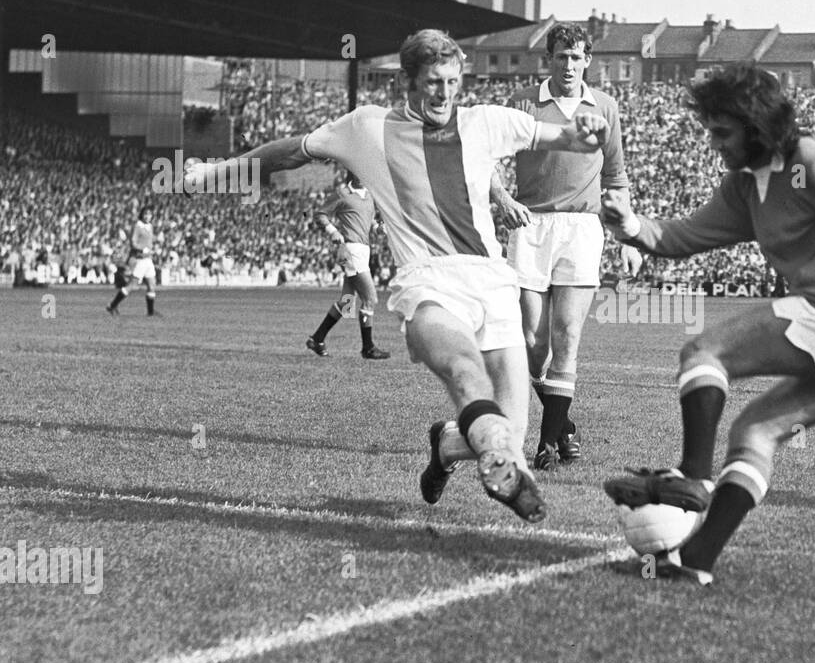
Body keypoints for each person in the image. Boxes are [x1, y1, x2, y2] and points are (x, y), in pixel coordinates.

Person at [185, 29, 609, 523]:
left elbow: (563, 136)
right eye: (432, 83)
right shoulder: (366, 128)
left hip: (493, 281)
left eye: (452, 81)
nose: (444, 93)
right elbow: (288, 152)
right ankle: (499, 461)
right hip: (426, 282)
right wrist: (208, 175)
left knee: (507, 434)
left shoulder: (486, 123)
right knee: (465, 372)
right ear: (406, 81)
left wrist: (585, 130)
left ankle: (449, 445)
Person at [600, 62, 815, 585]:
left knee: (702, 354)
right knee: (754, 432)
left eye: (722, 131)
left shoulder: (812, 162)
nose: (714, 142)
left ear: (756, 125)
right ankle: (696, 563)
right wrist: (634, 227)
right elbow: (686, 236)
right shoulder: (743, 187)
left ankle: (692, 478)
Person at [493, 23, 631, 470]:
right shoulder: (524, 104)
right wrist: (505, 199)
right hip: (531, 224)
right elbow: (485, 158)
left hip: (582, 228)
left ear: (588, 60)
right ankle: (564, 424)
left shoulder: (605, 107)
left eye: (576, 57)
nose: (568, 65)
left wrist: (627, 235)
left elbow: (616, 176)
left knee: (566, 336)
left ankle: (548, 443)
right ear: (548, 59)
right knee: (533, 345)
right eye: (560, 56)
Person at [306, 174, 390, 359]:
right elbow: (320, 214)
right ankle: (368, 348)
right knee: (371, 299)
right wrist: (333, 231)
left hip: (363, 251)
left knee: (346, 304)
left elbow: (370, 221)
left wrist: (378, 229)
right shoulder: (342, 193)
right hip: (350, 250)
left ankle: (317, 339)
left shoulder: (369, 195)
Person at [106, 207, 161, 316]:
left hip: (148, 260)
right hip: (140, 259)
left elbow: (148, 242)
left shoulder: (149, 226)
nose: (147, 216)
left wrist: (153, 249)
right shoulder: (138, 226)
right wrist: (142, 249)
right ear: (142, 215)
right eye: (145, 214)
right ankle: (112, 306)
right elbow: (133, 242)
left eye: (149, 214)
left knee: (152, 285)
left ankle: (150, 312)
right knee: (131, 285)